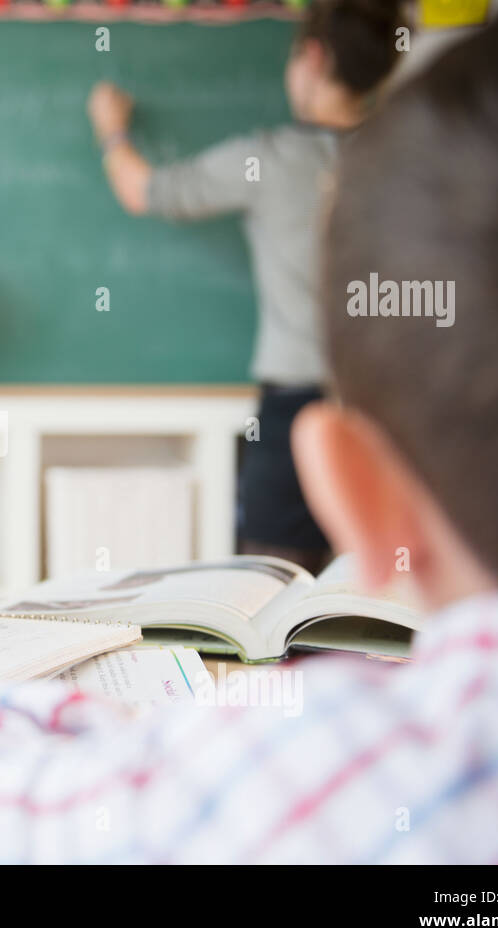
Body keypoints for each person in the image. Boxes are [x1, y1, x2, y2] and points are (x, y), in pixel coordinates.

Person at [0, 0, 498, 864]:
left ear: (314, 58)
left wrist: (112, 130)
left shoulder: (295, 788)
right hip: (400, 423)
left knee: (284, 607)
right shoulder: (427, 177)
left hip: (305, 404)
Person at [87, 0, 409, 573]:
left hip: (293, 412)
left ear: (313, 57)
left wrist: (112, 133)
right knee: (381, 598)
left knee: (270, 594)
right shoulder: (410, 157)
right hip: (390, 409)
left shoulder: (269, 159)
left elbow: (146, 191)